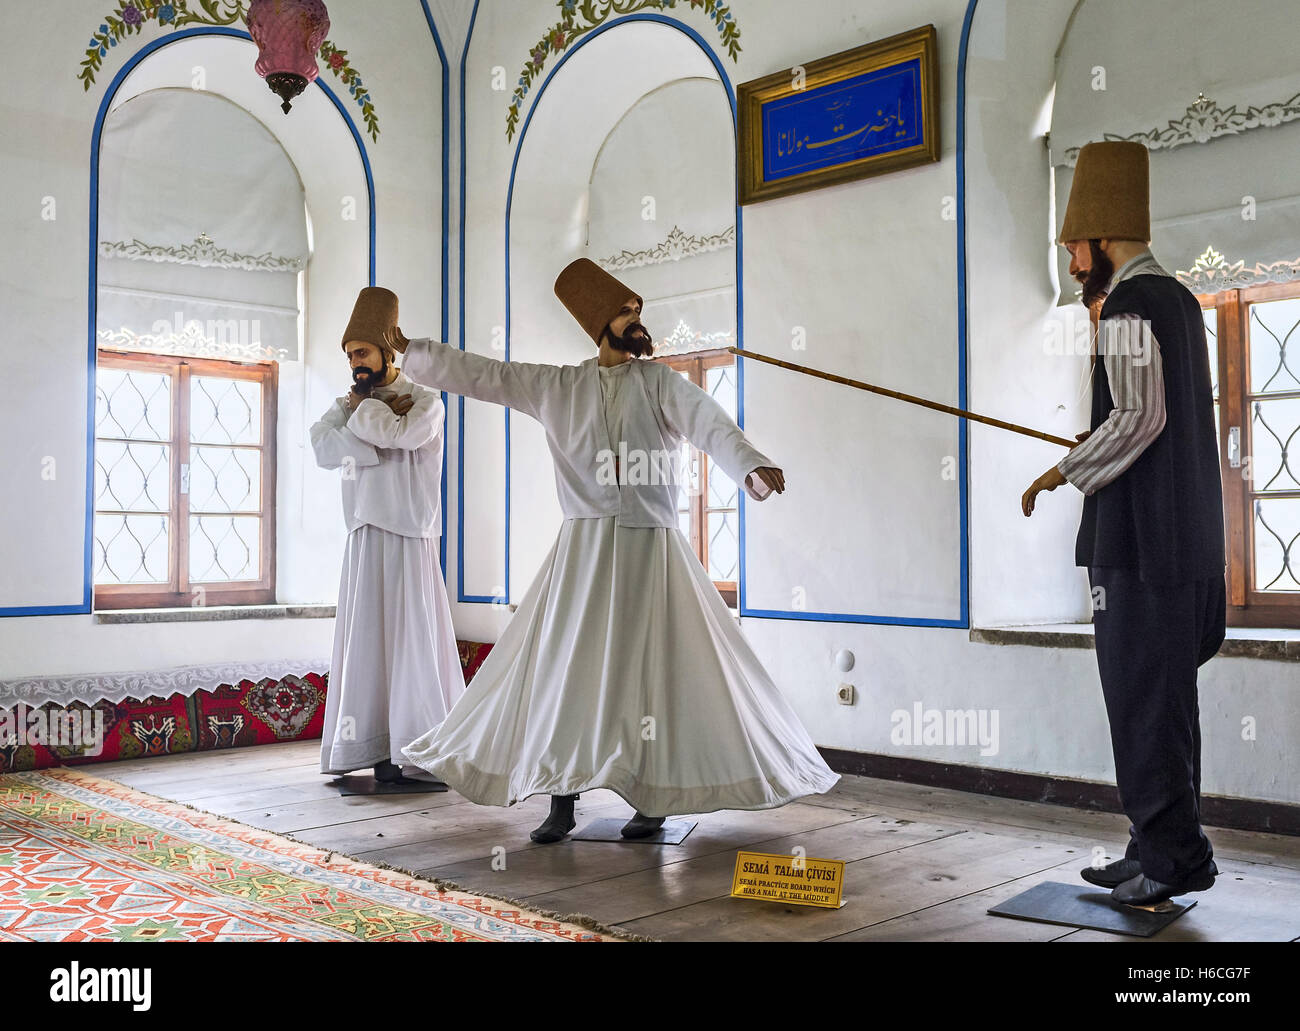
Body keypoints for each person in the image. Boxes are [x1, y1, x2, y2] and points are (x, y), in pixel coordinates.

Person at [396, 258, 839, 842]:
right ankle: (560, 799)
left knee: (653, 675)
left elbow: (710, 424)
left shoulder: (659, 382)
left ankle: (652, 801)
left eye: (637, 313)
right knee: (564, 673)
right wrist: (413, 352)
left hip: (649, 551)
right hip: (581, 554)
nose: (637, 321)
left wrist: (750, 465)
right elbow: (485, 375)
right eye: (627, 313)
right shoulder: (558, 385)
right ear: (601, 322)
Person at [1021, 141, 1226, 906]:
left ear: (1104, 236)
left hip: (1142, 550)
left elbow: (1140, 417)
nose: (1074, 261)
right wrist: (1097, 437)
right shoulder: (1179, 300)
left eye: (1075, 245)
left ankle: (1171, 860)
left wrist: (1061, 470)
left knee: (1143, 704)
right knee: (1162, 705)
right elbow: (1157, 424)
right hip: (1187, 546)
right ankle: (1154, 845)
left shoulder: (1132, 306)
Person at [309, 287, 465, 785]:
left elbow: (403, 437)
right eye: (351, 354)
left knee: (410, 645)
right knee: (368, 648)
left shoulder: (427, 402)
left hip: (409, 536)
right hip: (364, 535)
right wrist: (366, 422)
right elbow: (322, 447)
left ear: (386, 352)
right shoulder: (348, 402)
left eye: (363, 352)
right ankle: (372, 749)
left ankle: (414, 750)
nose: (355, 362)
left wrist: (363, 419)